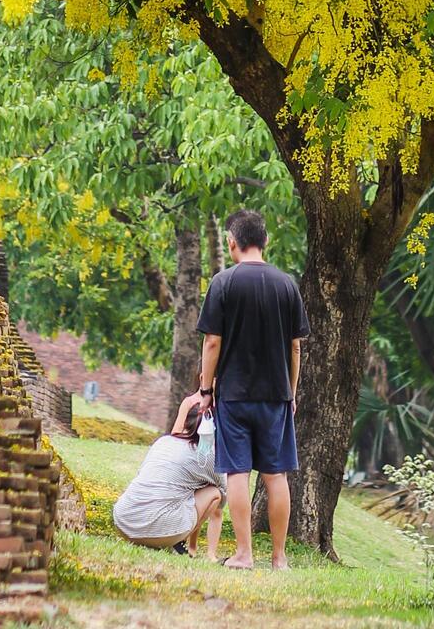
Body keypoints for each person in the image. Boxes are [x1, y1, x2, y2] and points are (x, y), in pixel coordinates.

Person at [197, 208, 309, 571]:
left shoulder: (223, 283)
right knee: (276, 475)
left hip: (234, 395)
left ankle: (244, 554)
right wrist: (291, 392)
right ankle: (279, 558)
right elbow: (295, 347)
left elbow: (212, 341)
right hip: (276, 395)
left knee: (238, 473)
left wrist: (205, 390)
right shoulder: (287, 285)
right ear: (266, 241)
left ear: (232, 243)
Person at [112, 389, 225, 556]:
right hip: (160, 533)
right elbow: (224, 492)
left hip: (123, 522)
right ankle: (177, 540)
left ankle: (166, 535)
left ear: (186, 422)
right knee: (214, 493)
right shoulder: (207, 457)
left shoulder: (163, 442)